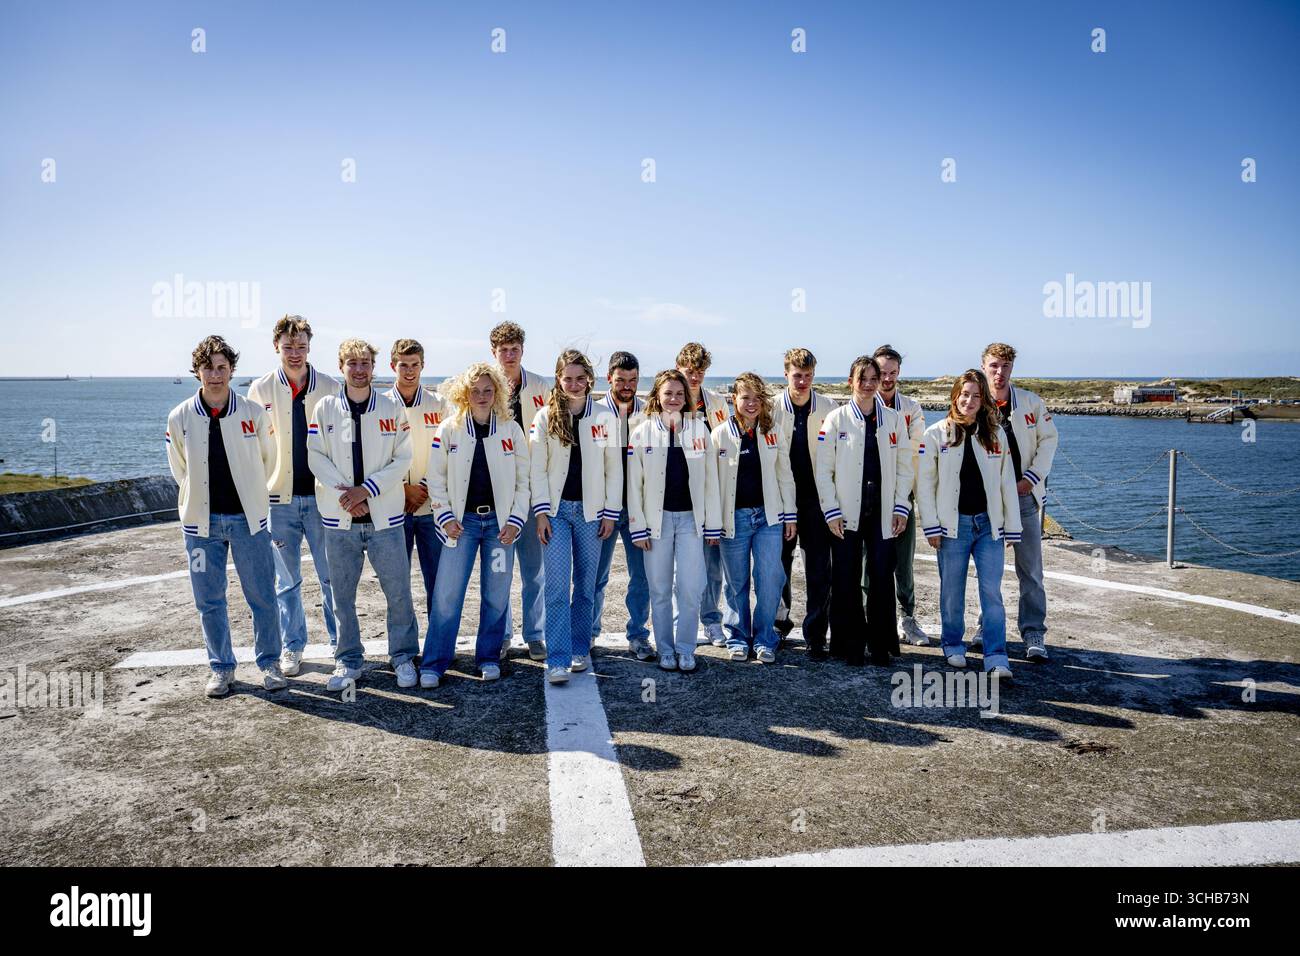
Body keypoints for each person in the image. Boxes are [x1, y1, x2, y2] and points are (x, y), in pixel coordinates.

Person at [166, 335, 284, 696]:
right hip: (201, 527)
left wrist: (253, 497)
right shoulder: (180, 416)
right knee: (209, 600)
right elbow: (179, 470)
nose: (215, 375)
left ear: (232, 370)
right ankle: (221, 668)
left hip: (248, 522)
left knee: (262, 594)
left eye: (222, 368)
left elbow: (270, 460)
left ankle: (270, 663)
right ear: (197, 372)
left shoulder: (252, 413)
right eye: (208, 368)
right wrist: (198, 503)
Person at [307, 338, 420, 693]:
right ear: (341, 367)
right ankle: (348, 660)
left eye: (365, 363)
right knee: (341, 595)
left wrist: (367, 490)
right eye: (352, 363)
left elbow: (402, 458)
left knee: (398, 593)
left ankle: (402, 656)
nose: (359, 370)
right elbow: (315, 456)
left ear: (374, 367)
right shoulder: (324, 408)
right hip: (340, 519)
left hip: (385, 518)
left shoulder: (390, 409)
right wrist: (347, 494)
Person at [418, 363, 530, 687]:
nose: (481, 396)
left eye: (488, 390)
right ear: (464, 394)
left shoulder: (511, 430)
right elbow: (435, 479)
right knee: (447, 595)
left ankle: (488, 657)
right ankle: (435, 663)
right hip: (461, 525)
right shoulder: (449, 429)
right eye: (475, 390)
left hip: (499, 527)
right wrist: (444, 516)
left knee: (496, 594)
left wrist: (515, 521)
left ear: (497, 393)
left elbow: (524, 482)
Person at [247, 315, 337, 677]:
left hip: (322, 498)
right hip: (279, 501)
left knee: (331, 577)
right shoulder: (260, 389)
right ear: (276, 348)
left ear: (310, 346)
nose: (295, 353)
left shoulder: (330, 387)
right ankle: (292, 646)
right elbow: (251, 447)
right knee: (287, 582)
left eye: (301, 346)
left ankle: (340, 644)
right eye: (288, 347)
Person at [916, 370, 1021, 679]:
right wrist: (931, 526)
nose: (970, 401)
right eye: (965, 395)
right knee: (952, 590)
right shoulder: (936, 434)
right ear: (955, 397)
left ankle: (996, 654)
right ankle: (952, 644)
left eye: (976, 395)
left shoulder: (996, 434)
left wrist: (1012, 526)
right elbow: (925, 485)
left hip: (989, 526)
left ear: (984, 400)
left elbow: (1005, 483)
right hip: (953, 527)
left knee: (992, 592)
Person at [813, 355, 914, 666]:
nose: (870, 384)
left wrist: (901, 506)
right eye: (863, 379)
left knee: (882, 577)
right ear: (851, 382)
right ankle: (849, 645)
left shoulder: (894, 420)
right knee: (846, 578)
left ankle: (881, 646)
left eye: (874, 378)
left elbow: (904, 468)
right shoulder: (836, 419)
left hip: (883, 512)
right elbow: (824, 470)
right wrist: (831, 511)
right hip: (845, 513)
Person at [529, 350, 621, 684]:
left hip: (592, 514)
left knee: (586, 586)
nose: (574, 384)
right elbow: (536, 470)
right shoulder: (545, 417)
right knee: (555, 586)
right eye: (567, 378)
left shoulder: (604, 418)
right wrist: (541, 514)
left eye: (580, 378)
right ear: (558, 379)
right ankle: (557, 658)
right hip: (555, 514)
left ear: (590, 380)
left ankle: (580, 648)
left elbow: (614, 470)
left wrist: (610, 513)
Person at [627, 369, 721, 672]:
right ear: (657, 396)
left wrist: (713, 524)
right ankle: (665, 649)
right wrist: (637, 526)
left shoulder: (699, 430)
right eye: (668, 393)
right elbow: (634, 485)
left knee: (692, 588)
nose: (674, 399)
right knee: (659, 589)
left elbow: (711, 481)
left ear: (687, 398)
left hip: (692, 521)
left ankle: (685, 648)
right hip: (657, 523)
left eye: (680, 394)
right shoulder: (640, 432)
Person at [977, 343, 1059, 661]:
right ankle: (987, 627)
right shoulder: (973, 402)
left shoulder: (1030, 403)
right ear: (984, 366)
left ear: (1012, 369)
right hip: (988, 501)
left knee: (1031, 570)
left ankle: (1033, 631)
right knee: (989, 570)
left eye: (1005, 367)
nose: (999, 372)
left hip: (1024, 497)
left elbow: (1048, 441)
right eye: (994, 366)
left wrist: (1031, 479)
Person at [708, 373, 797, 663]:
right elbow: (711, 482)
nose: (751, 403)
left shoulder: (773, 431)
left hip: (769, 517)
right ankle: (737, 637)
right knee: (736, 583)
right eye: (745, 397)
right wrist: (713, 521)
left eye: (757, 398)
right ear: (734, 398)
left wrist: (790, 516)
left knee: (770, 579)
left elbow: (785, 475)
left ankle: (765, 638)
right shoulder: (720, 434)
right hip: (732, 519)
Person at [491, 321, 551, 661]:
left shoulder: (542, 386)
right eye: (503, 350)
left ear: (522, 351)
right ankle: (503, 636)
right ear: (494, 353)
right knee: (500, 571)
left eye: (515, 349)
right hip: (499, 492)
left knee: (534, 571)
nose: (509, 355)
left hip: (533, 491)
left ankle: (535, 635)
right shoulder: (487, 387)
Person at [590, 351, 653, 660]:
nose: (627, 386)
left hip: (638, 509)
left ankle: (638, 635)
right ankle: (588, 634)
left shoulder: (649, 413)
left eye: (632, 380)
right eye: (621, 380)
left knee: (641, 577)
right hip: (602, 509)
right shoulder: (594, 413)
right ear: (608, 379)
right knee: (595, 576)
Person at [772, 347, 834, 655]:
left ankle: (815, 634)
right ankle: (779, 625)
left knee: (819, 569)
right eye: (797, 376)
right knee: (778, 566)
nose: (802, 382)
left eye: (808, 376)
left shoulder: (828, 407)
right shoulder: (771, 409)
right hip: (781, 500)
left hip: (816, 501)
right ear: (786, 374)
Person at [384, 338, 448, 624]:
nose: (409, 371)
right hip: (393, 509)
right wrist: (401, 490)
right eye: (403, 365)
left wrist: (422, 488)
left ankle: (437, 648)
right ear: (392, 366)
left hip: (430, 506)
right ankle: (406, 649)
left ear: (423, 366)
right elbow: (375, 458)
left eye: (415, 365)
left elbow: (447, 454)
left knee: (438, 582)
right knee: (397, 586)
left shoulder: (440, 404)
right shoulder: (379, 406)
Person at [869, 344, 929, 646]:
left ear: (899, 373)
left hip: (902, 494)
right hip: (868, 496)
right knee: (867, 564)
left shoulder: (911, 408)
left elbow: (913, 447)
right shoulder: (863, 406)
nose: (887, 378)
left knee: (903, 562)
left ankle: (908, 617)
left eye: (892, 373)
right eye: (882, 372)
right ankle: (870, 619)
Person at [675, 342, 733, 647]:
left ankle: (711, 620)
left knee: (712, 566)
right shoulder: (669, 401)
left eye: (699, 371)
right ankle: (679, 622)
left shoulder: (718, 403)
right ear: (679, 367)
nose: (694, 377)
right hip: (679, 498)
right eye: (689, 370)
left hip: (712, 495)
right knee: (681, 569)